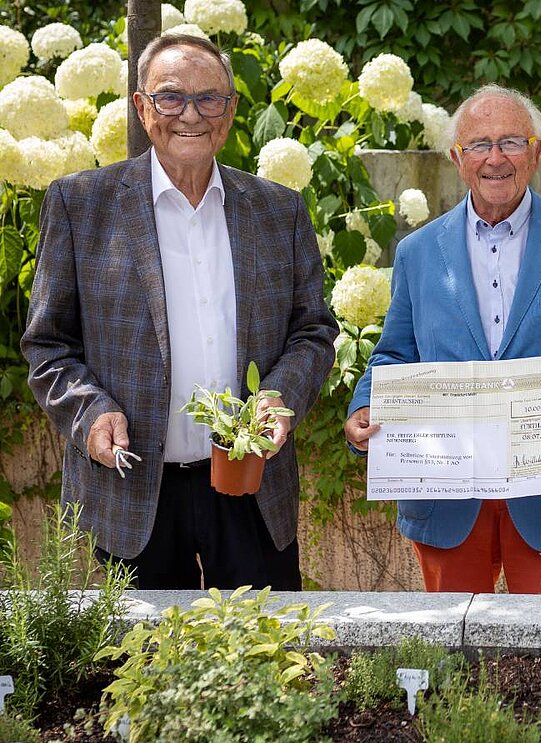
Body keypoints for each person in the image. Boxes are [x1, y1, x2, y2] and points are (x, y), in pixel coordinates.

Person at [22, 33, 336, 590]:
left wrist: (279, 399)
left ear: (231, 112)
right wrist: (90, 412)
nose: (190, 114)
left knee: (263, 662)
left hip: (250, 483)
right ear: (143, 108)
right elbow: (48, 344)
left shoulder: (278, 210)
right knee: (138, 669)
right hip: (134, 493)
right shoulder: (80, 205)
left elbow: (312, 331)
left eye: (209, 98)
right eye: (170, 98)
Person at [343, 85, 541, 594]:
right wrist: (363, 406)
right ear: (458, 158)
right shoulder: (417, 252)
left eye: (512, 142)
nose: (495, 158)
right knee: (452, 648)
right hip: (447, 494)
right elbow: (394, 353)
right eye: (479, 145)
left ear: (536, 153)